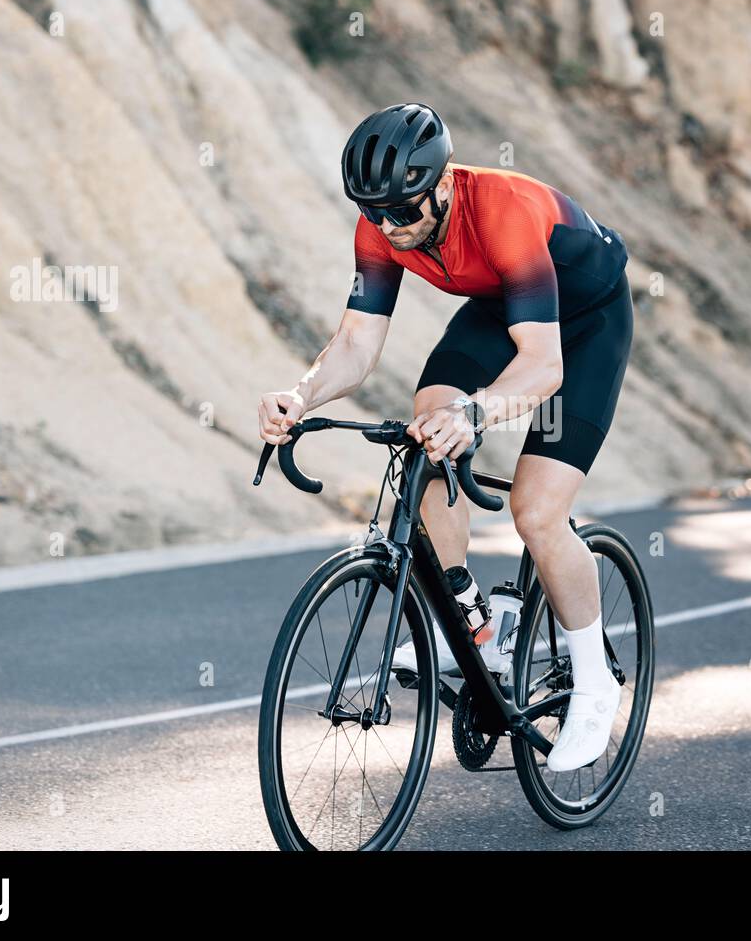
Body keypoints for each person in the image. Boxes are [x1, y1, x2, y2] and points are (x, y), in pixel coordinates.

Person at [257, 103, 634, 773]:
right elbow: (354, 341)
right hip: (502, 312)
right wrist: (301, 393)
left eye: (403, 211)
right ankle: (473, 620)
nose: (390, 228)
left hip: (586, 326)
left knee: (537, 511)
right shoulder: (383, 222)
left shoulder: (502, 211)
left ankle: (594, 684)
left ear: (441, 184)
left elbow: (544, 366)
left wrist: (480, 413)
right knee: (427, 418)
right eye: (375, 213)